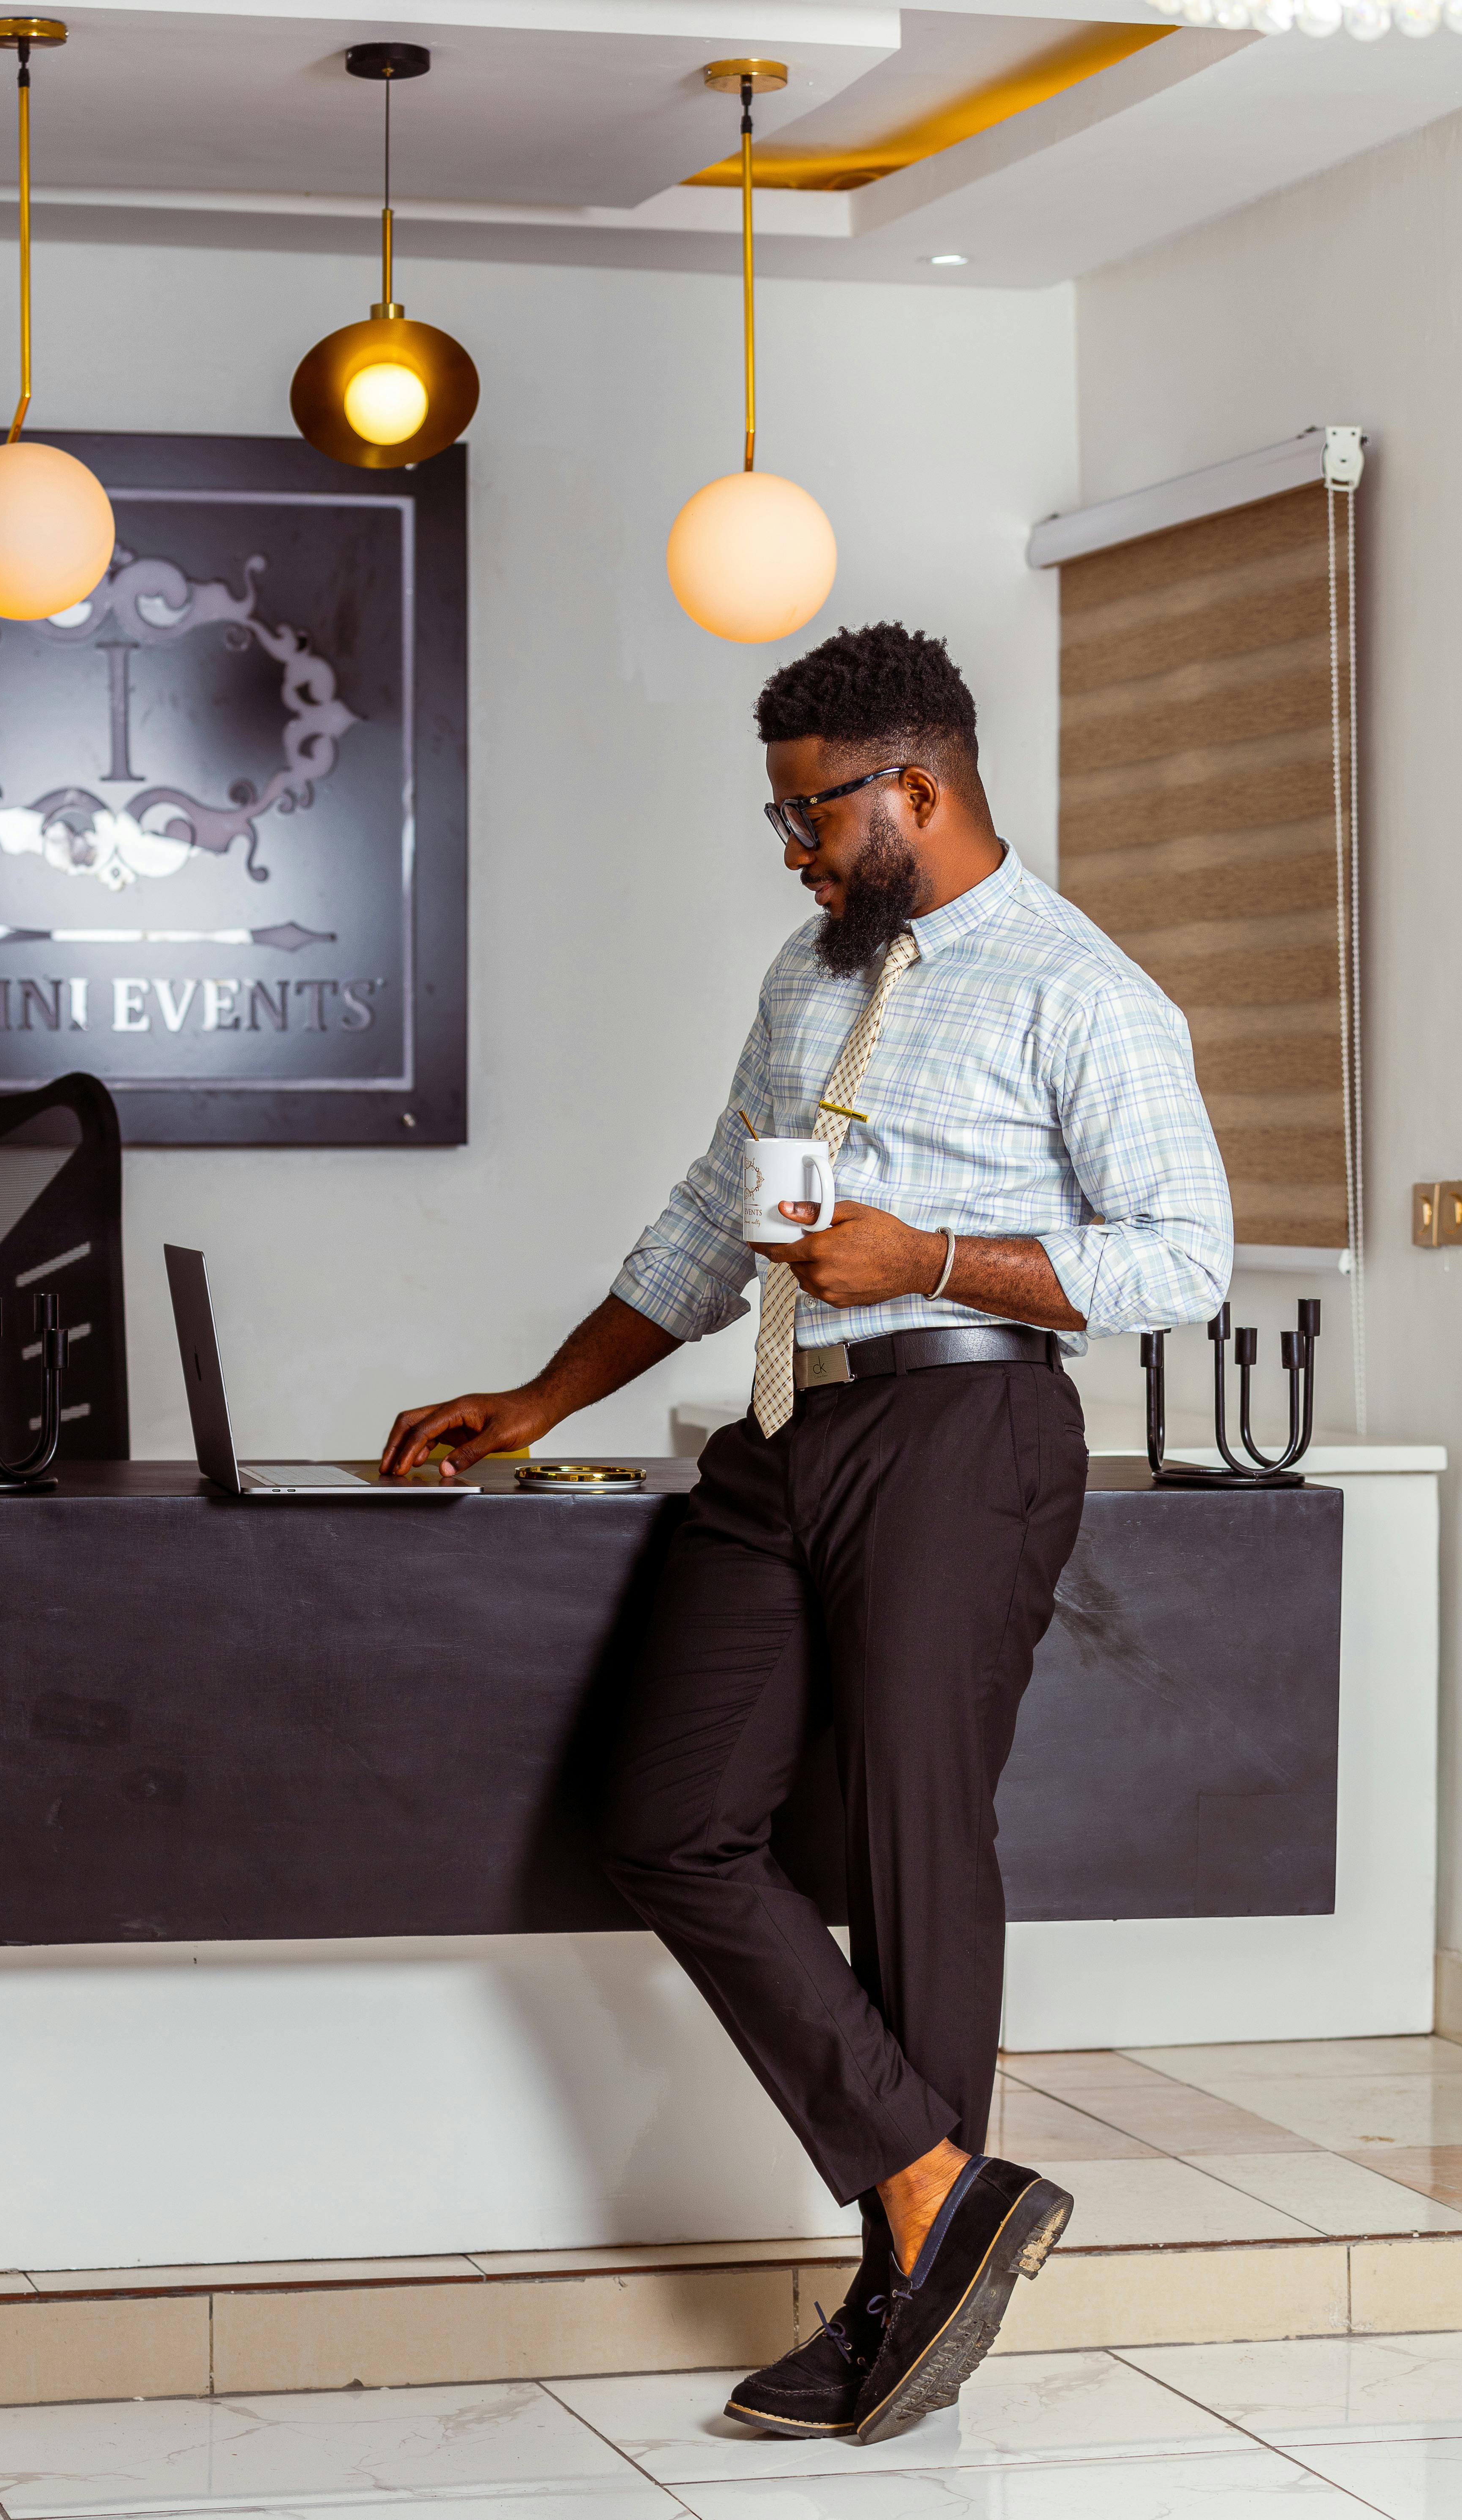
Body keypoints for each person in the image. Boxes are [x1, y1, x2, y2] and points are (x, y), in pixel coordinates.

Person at [382, 621, 1233, 2445]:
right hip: (781, 1429)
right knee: (672, 1820)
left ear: (912, 788)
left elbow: (1182, 1260)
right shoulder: (804, 972)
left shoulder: (1086, 993)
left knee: (919, 1842)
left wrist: (923, 1254)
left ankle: (892, 2290)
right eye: (778, 819)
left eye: (809, 815)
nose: (789, 852)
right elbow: (713, 1210)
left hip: (966, 1420)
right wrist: (540, 1398)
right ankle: (936, 2188)